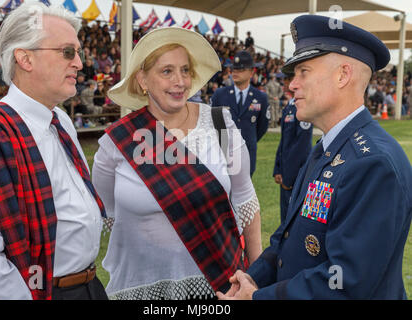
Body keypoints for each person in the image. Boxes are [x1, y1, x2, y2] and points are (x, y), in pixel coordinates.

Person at [217, 14, 412, 300]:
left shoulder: (372, 163)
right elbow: (288, 238)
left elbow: (347, 282)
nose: (292, 85)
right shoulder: (328, 149)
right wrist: (251, 277)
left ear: (343, 75)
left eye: (303, 72)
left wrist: (257, 298)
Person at [92, 27, 262, 300]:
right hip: (141, 291)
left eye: (185, 70)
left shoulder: (220, 124)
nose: (180, 81)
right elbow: (104, 216)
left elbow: (245, 200)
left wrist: (256, 276)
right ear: (142, 80)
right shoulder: (116, 143)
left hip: (222, 286)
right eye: (167, 71)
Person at [0, 2, 108, 300]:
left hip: (90, 287)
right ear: (25, 58)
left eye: (78, 53)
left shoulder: (62, 119)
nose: (79, 63)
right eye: (68, 52)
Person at [211, 50, 270, 176]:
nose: (235, 73)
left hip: (247, 154)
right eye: (233, 69)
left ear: (251, 72)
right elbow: (212, 124)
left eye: (240, 70)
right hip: (223, 155)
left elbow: (262, 127)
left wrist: (248, 140)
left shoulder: (260, 97)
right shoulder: (220, 95)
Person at [273, 74, 313, 224]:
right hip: (285, 171)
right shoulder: (289, 106)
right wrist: (277, 169)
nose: (285, 83)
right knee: (285, 217)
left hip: (295, 174)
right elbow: (284, 141)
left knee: (294, 219)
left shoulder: (303, 107)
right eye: (284, 80)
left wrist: (289, 177)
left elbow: (301, 147)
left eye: (288, 79)